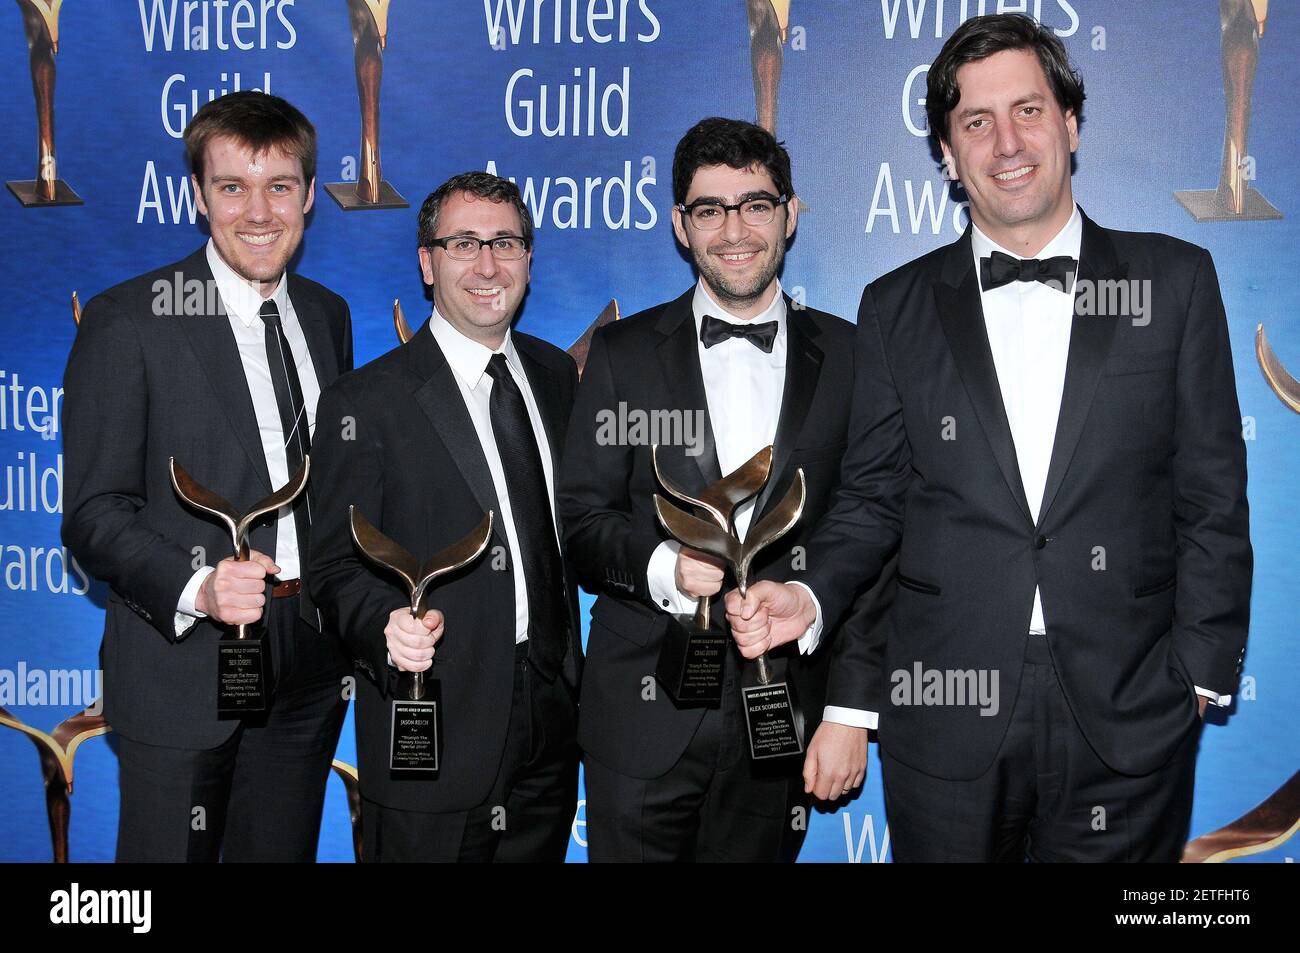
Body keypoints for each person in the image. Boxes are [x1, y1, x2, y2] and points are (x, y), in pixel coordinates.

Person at [728, 13, 1252, 862]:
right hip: (942, 710)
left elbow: (1213, 497)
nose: (1006, 141)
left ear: (1071, 124)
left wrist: (1197, 672)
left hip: (1130, 711)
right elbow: (872, 505)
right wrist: (814, 595)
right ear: (946, 152)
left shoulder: (1176, 280)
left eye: (1029, 110)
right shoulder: (895, 307)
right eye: (975, 121)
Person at [557, 117, 891, 862]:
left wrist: (849, 709)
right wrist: (662, 568)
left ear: (790, 212)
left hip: (783, 719)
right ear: (680, 225)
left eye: (755, 204)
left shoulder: (851, 354)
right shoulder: (621, 354)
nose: (733, 229)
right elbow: (580, 521)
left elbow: (872, 533)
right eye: (709, 209)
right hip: (639, 716)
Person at [62, 91, 352, 862]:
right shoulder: (130, 321)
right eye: (232, 187)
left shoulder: (327, 315)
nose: (258, 212)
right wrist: (199, 587)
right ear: (197, 195)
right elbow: (93, 513)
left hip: (309, 662)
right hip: (182, 664)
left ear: (311, 195)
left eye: (280, 186)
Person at [309, 171, 582, 862]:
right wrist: (383, 625)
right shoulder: (364, 402)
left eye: (506, 243)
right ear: (427, 263)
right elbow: (333, 567)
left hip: (553, 718)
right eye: (464, 243)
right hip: (432, 720)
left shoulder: (556, 376)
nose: (487, 265)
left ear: (528, 258)